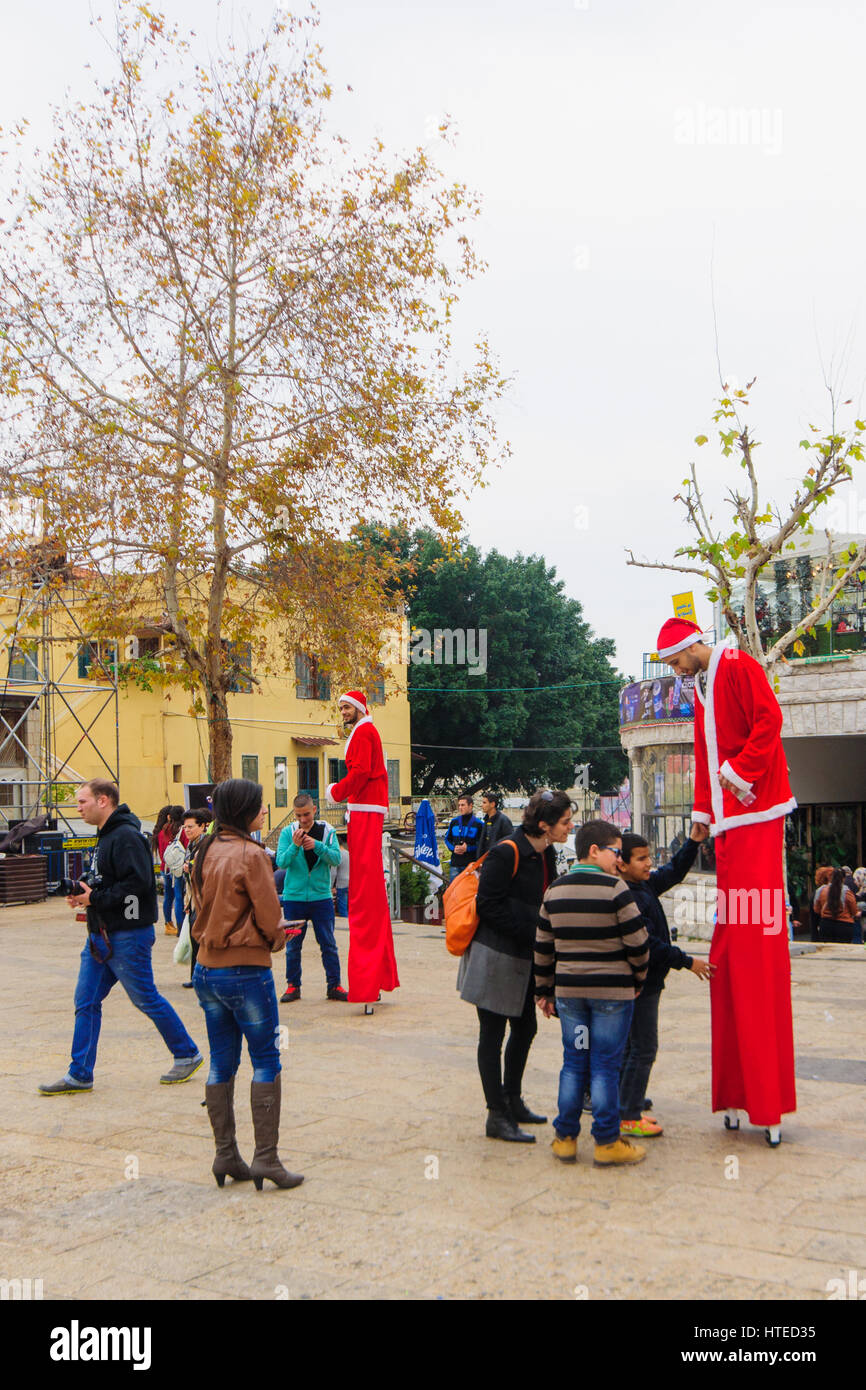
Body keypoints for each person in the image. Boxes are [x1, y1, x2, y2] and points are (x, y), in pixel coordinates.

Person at [657, 616, 797, 1147]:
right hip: (728, 818)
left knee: (755, 943)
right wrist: (701, 810)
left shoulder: (738, 665)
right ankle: (739, 1090)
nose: (673, 672)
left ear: (694, 645)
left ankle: (764, 1096)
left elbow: (770, 720)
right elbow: (704, 754)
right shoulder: (699, 686)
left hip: (756, 811)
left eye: (674, 661)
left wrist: (737, 776)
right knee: (732, 945)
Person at [39, 780, 203, 1095]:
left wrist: (95, 900)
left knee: (145, 997)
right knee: (85, 1001)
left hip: (126, 935)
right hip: (101, 934)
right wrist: (83, 889)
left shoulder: (125, 836)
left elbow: (138, 886)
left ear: (103, 801)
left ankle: (187, 1053)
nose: (78, 807)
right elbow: (106, 878)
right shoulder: (108, 836)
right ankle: (80, 1073)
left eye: (82, 801)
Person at [192, 777, 303, 1191]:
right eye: (258, 807)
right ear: (243, 811)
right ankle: (266, 1159)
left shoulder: (205, 848)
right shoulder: (252, 854)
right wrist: (280, 937)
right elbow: (269, 916)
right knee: (266, 1061)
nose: (264, 812)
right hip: (245, 969)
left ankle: (225, 1153)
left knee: (221, 1061)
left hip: (206, 969)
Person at [457, 789, 572, 1142]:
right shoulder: (506, 852)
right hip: (494, 955)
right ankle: (496, 1114)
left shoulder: (546, 853)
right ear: (544, 825)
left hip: (525, 957)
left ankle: (513, 1099)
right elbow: (488, 905)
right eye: (565, 822)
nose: (570, 827)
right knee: (492, 1036)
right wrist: (534, 932)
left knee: (525, 1029)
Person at [535, 820, 650, 1168]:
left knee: (574, 1063)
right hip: (612, 997)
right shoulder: (616, 890)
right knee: (604, 1066)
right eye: (615, 852)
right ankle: (606, 1140)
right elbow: (639, 944)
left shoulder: (554, 890)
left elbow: (543, 948)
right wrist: (638, 978)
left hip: (571, 997)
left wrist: (544, 991)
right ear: (595, 851)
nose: (618, 860)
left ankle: (566, 1138)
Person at [616, 825, 715, 1138]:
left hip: (644, 982)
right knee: (644, 1048)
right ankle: (628, 1115)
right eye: (641, 859)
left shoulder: (643, 885)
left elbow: (673, 872)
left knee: (633, 1047)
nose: (648, 864)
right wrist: (688, 961)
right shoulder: (629, 896)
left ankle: (626, 1101)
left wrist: (694, 842)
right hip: (639, 982)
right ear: (622, 863)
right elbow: (650, 945)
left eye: (648, 857)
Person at [326, 690, 399, 1012]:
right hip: (365, 811)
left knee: (362, 897)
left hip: (365, 812)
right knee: (369, 895)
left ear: (358, 709)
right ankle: (379, 977)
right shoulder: (365, 731)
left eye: (346, 707)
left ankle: (368, 983)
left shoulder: (364, 731)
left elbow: (360, 773)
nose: (342, 712)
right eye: (340, 708)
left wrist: (335, 793)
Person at [275, 793, 347, 1002]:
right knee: (293, 946)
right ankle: (292, 986)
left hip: (321, 897)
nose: (303, 820)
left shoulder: (327, 832)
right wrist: (295, 846)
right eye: (298, 815)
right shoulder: (288, 833)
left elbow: (335, 858)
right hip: (294, 897)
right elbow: (281, 862)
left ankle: (334, 985)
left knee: (328, 943)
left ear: (314, 810)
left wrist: (317, 846)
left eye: (306, 814)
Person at [180, 808, 212, 987]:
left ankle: (200, 977)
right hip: (193, 900)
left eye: (191, 827)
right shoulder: (191, 845)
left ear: (203, 826)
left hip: (204, 901)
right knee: (195, 940)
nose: (187, 830)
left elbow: (207, 872)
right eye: (185, 827)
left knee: (200, 940)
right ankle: (195, 976)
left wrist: (191, 869)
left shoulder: (206, 845)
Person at [154, 805, 186, 936]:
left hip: (165, 868)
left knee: (168, 896)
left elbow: (162, 852)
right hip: (177, 869)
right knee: (179, 897)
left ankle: (168, 923)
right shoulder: (182, 831)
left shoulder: (162, 832)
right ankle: (181, 926)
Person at [445, 794, 485, 882]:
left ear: (471, 806)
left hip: (470, 865)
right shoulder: (454, 822)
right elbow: (447, 839)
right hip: (455, 864)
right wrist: (453, 848)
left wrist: (468, 848)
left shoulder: (479, 824)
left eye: (463, 805)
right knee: (454, 892)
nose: (460, 807)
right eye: (459, 805)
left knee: (468, 893)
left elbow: (481, 845)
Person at [814, 868, 859, 944]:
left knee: (827, 951)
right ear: (844, 879)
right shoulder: (847, 892)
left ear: (830, 877)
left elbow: (816, 910)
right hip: (844, 926)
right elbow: (854, 911)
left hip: (826, 925)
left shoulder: (820, 890)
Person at [478, 791, 514, 856]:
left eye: (484, 803)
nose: (482, 805)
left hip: (498, 860)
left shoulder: (503, 820)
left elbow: (509, 842)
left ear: (492, 804)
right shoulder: (486, 820)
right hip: (485, 860)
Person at [333, 843, 350, 919]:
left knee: (342, 906)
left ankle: (345, 924)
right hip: (350, 882)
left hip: (341, 883)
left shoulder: (337, 854)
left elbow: (333, 873)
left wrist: (330, 886)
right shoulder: (348, 853)